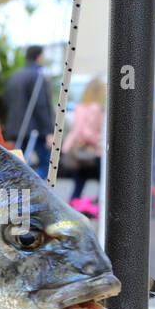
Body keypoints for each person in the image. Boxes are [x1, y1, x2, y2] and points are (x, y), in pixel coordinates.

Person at [4, 45, 54, 179]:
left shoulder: (14, 76)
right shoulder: (37, 76)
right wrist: (49, 131)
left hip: (16, 129)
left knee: (19, 165)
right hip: (35, 130)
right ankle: (30, 190)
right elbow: (41, 105)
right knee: (48, 164)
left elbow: (6, 102)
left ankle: (19, 192)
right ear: (39, 56)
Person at [60, 76, 104, 213]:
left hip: (75, 150)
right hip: (89, 151)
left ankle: (71, 209)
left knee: (79, 183)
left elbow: (76, 129)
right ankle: (98, 208)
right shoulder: (95, 107)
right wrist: (100, 140)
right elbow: (86, 132)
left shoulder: (79, 106)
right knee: (104, 181)